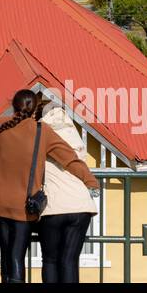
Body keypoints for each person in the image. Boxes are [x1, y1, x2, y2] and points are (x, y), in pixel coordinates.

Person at [0, 90, 98, 283]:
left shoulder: (0, 125)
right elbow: (68, 158)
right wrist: (90, 180)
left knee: (6, 253)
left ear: (14, 105)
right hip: (22, 204)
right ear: (35, 107)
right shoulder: (41, 130)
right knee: (16, 255)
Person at [38, 102, 100, 283]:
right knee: (70, 261)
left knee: (50, 260)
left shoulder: (41, 134)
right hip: (81, 206)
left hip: (54, 207)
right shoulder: (75, 134)